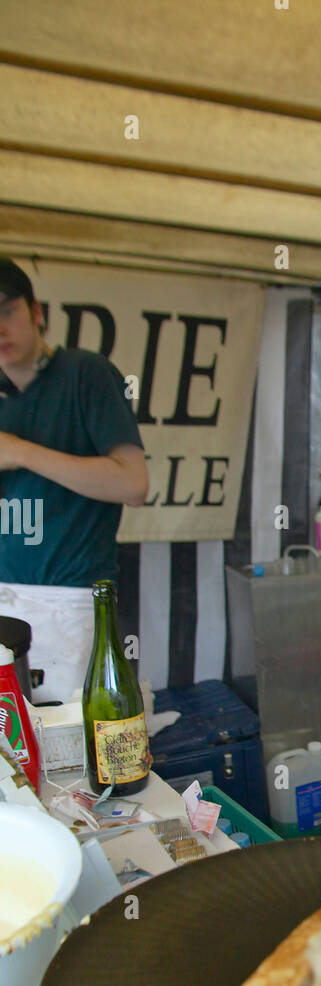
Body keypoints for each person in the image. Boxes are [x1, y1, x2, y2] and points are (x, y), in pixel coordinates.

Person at [0, 258, 147, 702]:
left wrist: (22, 452)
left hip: (74, 601)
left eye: (5, 311)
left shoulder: (86, 374)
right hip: (5, 597)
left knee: (76, 749)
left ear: (36, 311)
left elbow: (133, 484)